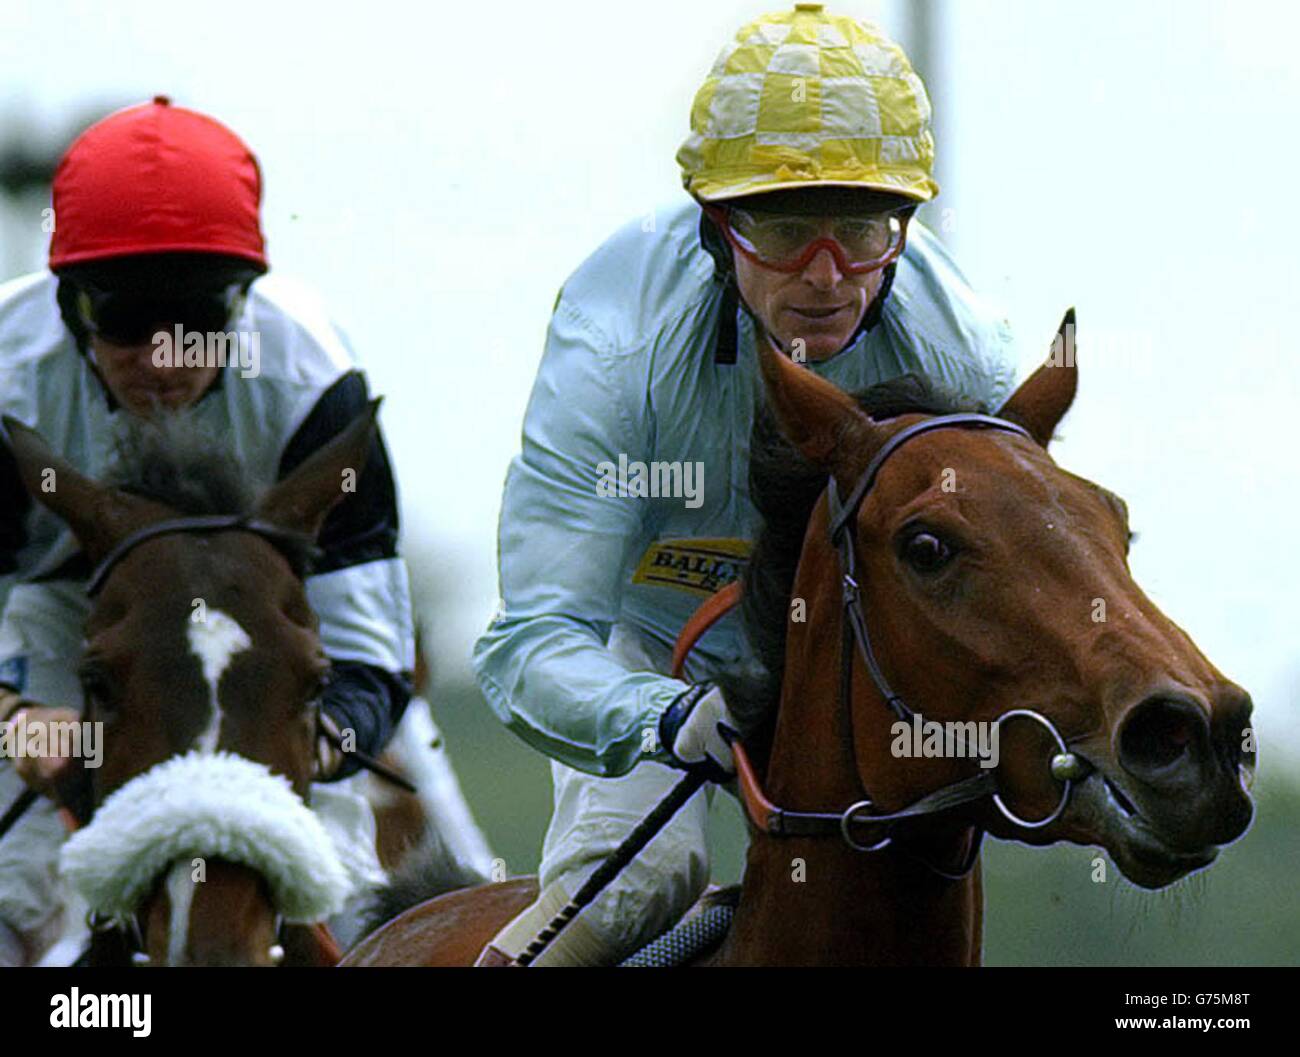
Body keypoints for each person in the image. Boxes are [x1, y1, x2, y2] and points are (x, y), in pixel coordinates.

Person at [471, 2, 1020, 965]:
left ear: (905, 224)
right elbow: (530, 644)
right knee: (642, 879)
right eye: (783, 225)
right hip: (641, 643)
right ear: (716, 220)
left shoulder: (969, 358)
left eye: (860, 227)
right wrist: (665, 714)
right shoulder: (614, 341)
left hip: (845, 661)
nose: (825, 274)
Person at [0, 97, 489, 966]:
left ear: (242, 302)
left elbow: (368, 660)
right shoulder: (8, 376)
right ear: (70, 304)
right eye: (125, 320)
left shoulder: (311, 376)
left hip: (277, 645)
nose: (162, 358)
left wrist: (300, 744)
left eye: (194, 319)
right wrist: (16, 720)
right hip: (59, 618)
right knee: (13, 881)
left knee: (413, 878)